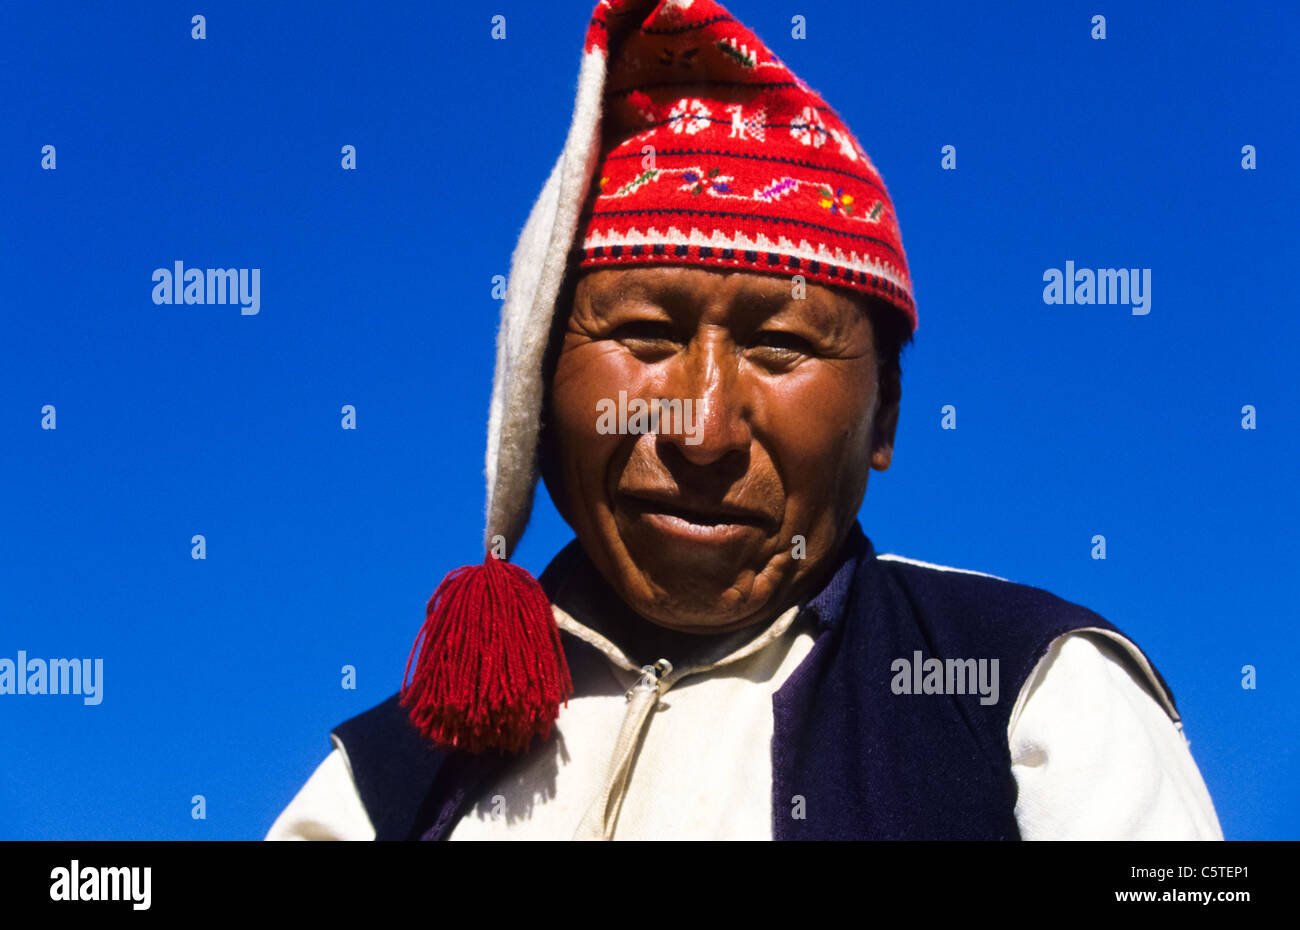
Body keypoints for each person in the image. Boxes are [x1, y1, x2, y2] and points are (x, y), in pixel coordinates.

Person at [267, 0, 1221, 841]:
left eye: (780, 350)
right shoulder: (388, 785)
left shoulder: (1028, 693)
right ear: (532, 401)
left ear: (882, 416)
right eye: (642, 335)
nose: (705, 429)